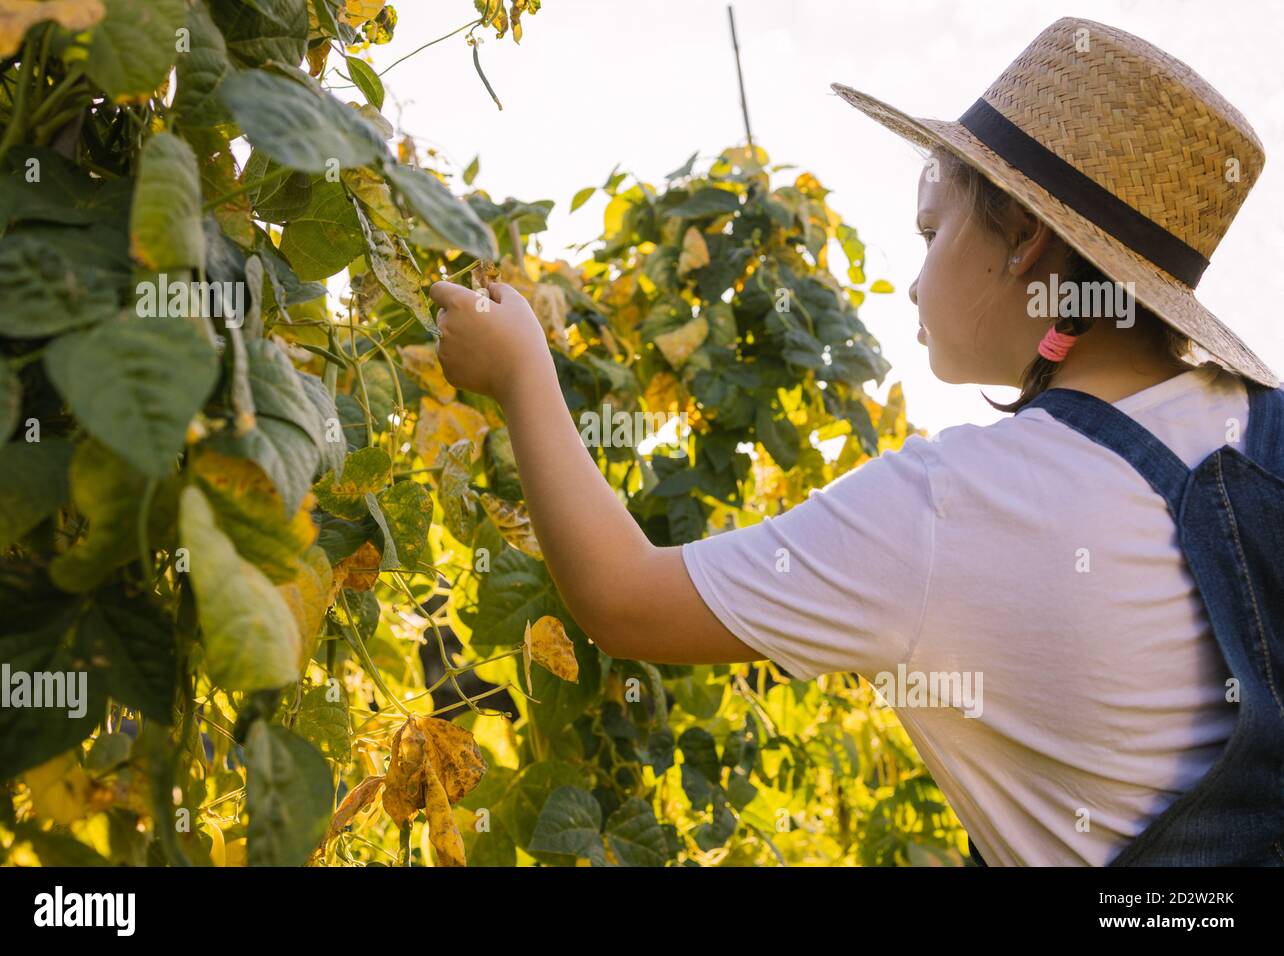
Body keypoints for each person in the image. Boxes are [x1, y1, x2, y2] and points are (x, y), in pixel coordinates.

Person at [428, 17, 1284, 866]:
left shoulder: (957, 503)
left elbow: (622, 599)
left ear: (1028, 242)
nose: (914, 277)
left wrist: (519, 373)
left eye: (931, 230)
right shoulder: (1266, 430)